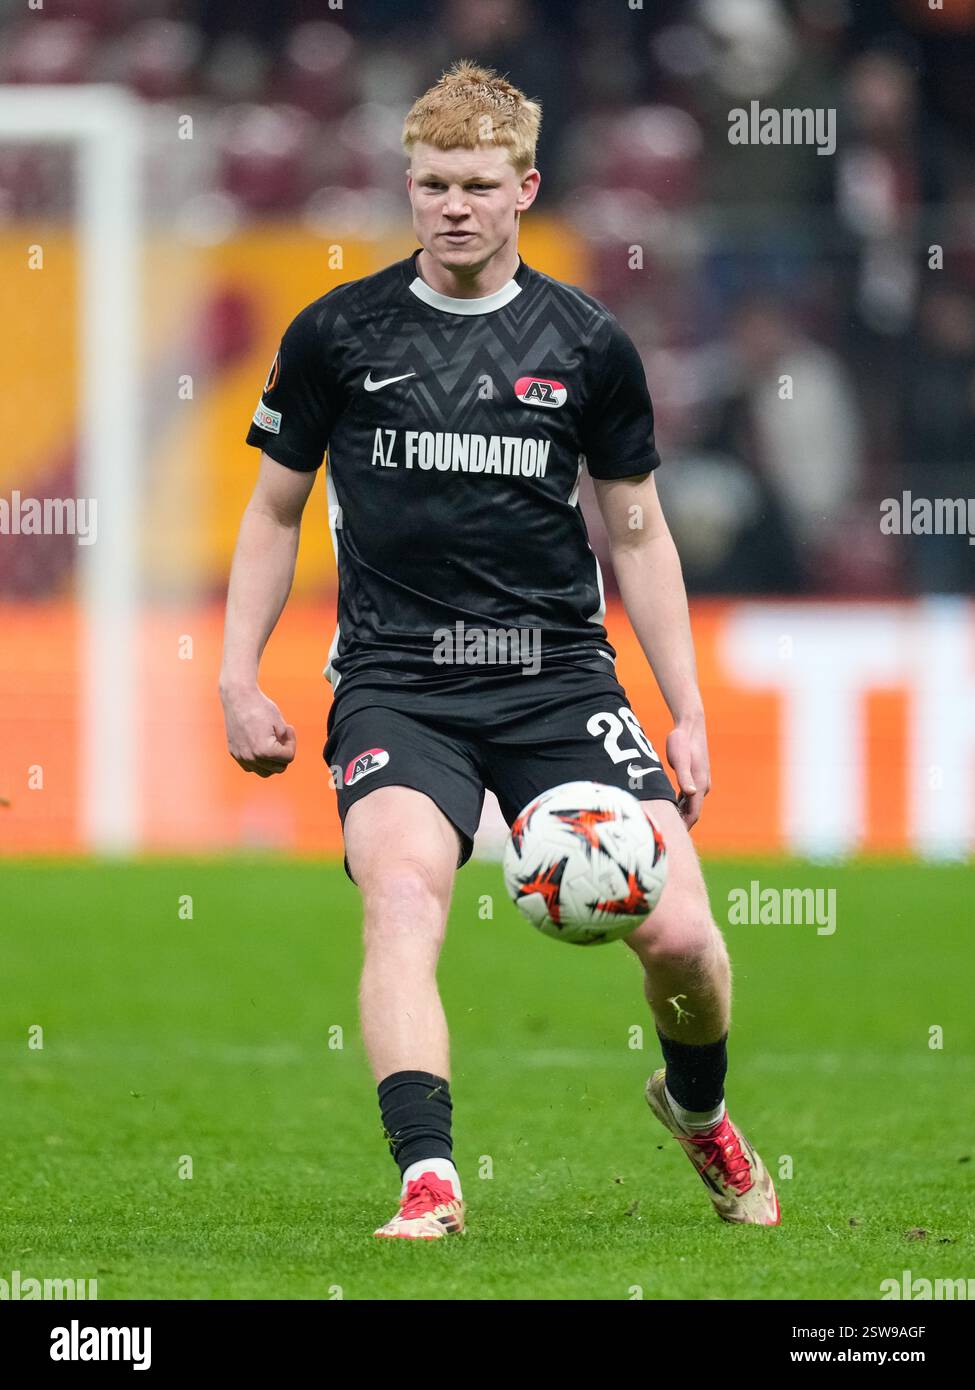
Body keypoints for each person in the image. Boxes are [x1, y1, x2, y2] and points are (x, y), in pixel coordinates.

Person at [219, 60, 779, 1238]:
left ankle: (697, 1107)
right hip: (395, 682)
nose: (452, 206)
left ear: (525, 187)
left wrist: (685, 705)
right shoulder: (337, 333)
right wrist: (236, 674)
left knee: (681, 937)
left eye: (476, 184)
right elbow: (273, 511)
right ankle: (429, 1179)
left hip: (557, 678)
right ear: (408, 185)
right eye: (431, 185)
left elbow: (637, 531)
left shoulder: (586, 343)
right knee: (405, 897)